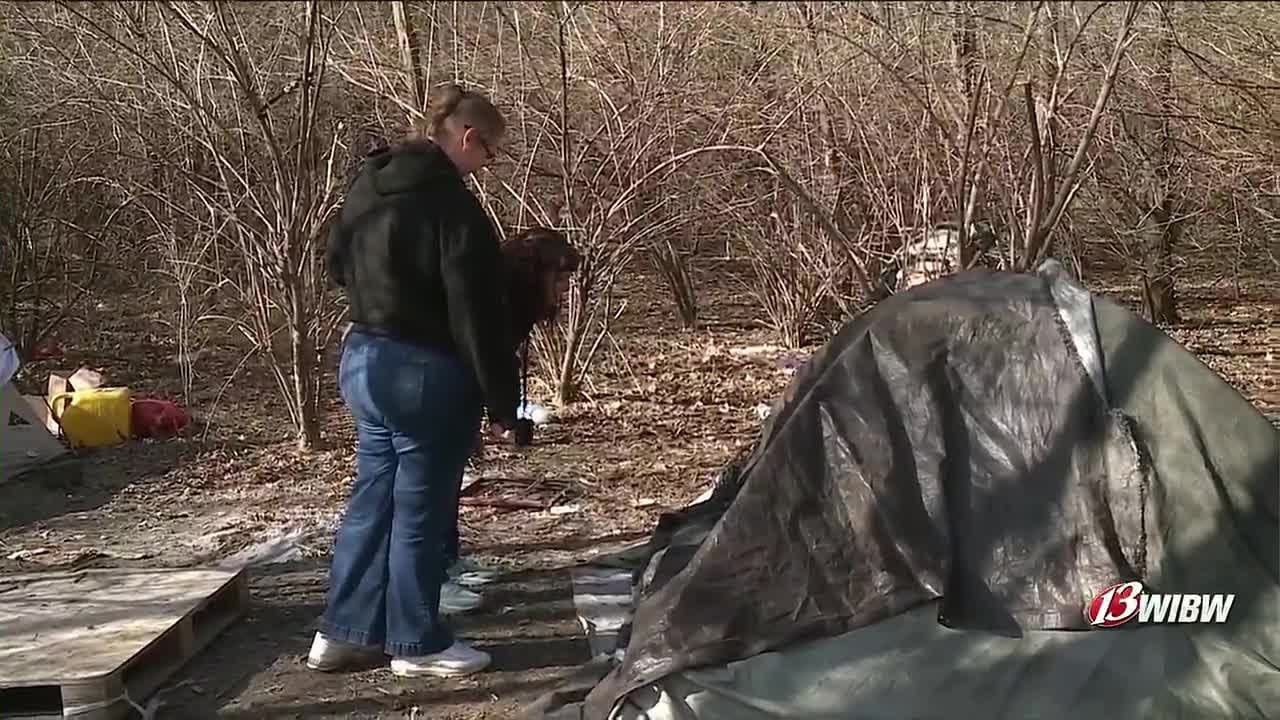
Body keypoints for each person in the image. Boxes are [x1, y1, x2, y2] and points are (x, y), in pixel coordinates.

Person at [309, 83, 519, 679]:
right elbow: (478, 314)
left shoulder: (369, 182)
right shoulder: (453, 207)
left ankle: (343, 633)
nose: (488, 165)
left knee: (372, 501)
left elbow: (335, 261)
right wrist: (504, 403)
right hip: (424, 372)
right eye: (490, 152)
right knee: (421, 510)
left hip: (363, 358)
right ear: (468, 137)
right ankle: (417, 642)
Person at [441, 227, 581, 589]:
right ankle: (430, 580)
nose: (565, 289)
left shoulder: (510, 301)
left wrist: (498, 413)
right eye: (560, 278)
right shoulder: (494, 300)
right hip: (433, 386)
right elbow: (488, 357)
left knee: (442, 481)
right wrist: (502, 415)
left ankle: (443, 562)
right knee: (429, 486)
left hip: (447, 386)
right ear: (535, 275)